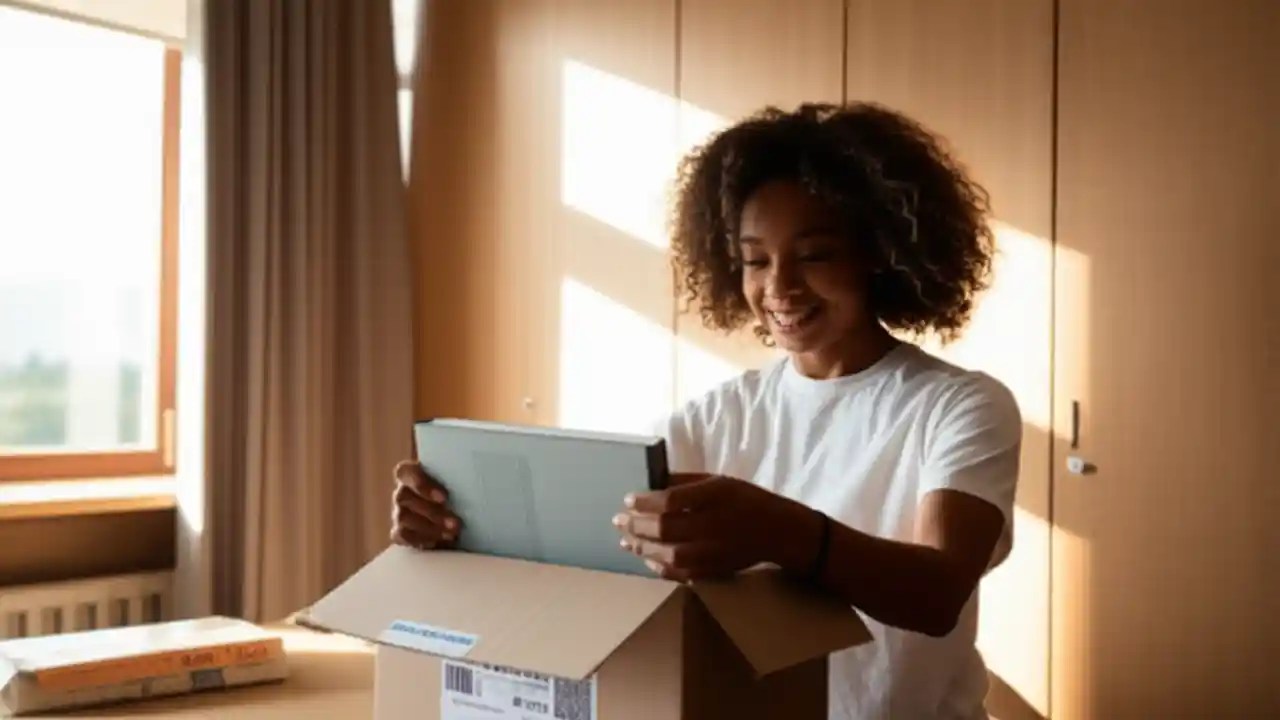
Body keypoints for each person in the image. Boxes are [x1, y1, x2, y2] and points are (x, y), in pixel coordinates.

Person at [390, 102, 1022, 720]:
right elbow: (585, 544)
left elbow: (938, 592)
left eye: (815, 254)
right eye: (755, 259)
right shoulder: (717, 416)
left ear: (879, 251)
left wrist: (778, 529)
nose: (779, 286)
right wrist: (451, 520)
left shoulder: (959, 407)